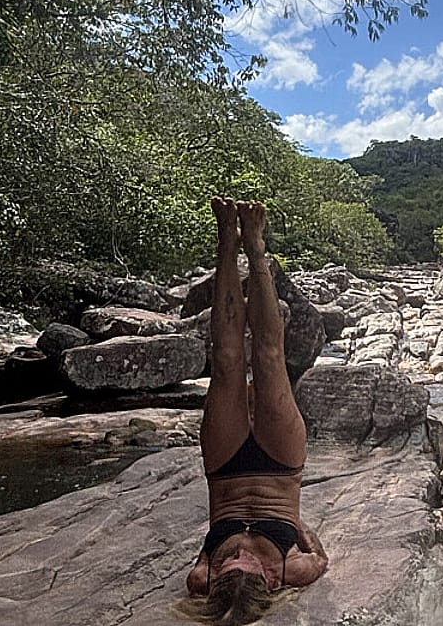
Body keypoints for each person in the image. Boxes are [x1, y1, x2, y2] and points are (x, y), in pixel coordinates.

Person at [182, 198, 329, 625]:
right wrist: (303, 532)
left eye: (233, 561)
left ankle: (227, 240)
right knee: (268, 358)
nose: (241, 554)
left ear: (216, 579)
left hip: (225, 469)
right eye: (249, 562)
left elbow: (203, 577)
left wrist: (216, 558)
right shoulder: (290, 570)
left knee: (225, 360)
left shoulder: (201, 577)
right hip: (278, 470)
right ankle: (256, 246)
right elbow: (320, 557)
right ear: (268, 578)